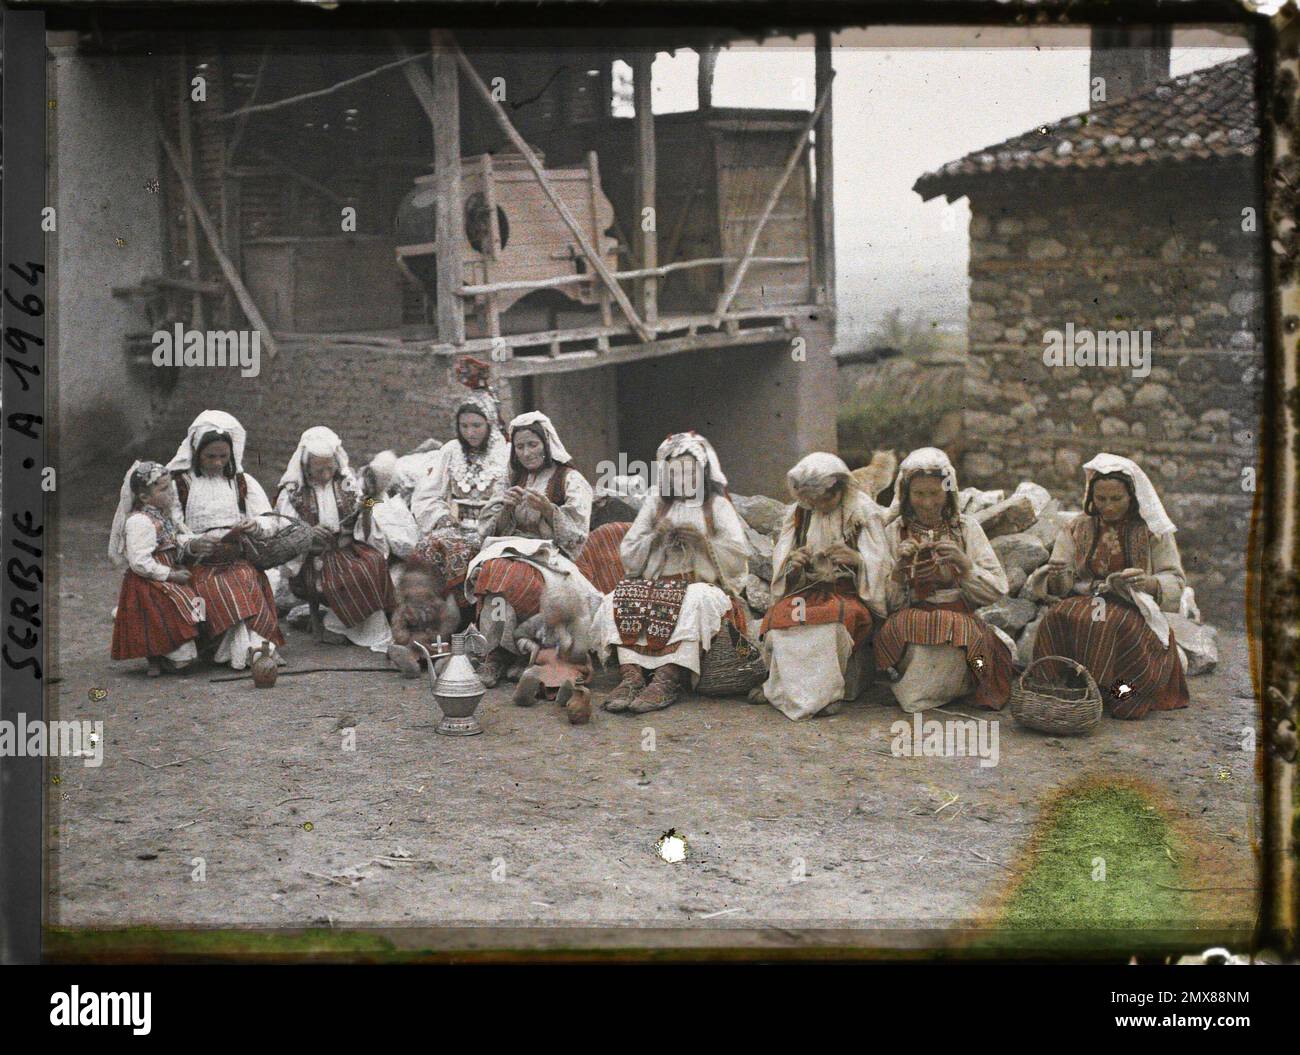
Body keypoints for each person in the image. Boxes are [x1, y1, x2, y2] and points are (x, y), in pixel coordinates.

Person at [592, 432, 750, 713]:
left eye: (690, 473)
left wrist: (702, 542)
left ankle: (668, 678)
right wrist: (656, 536)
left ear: (702, 474)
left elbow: (738, 557)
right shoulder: (657, 504)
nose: (684, 481)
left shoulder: (717, 506)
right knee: (616, 597)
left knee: (694, 599)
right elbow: (629, 552)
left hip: (703, 585)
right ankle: (632, 677)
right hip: (658, 583)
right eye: (676, 474)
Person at [1025, 452, 1190, 719]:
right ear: (1091, 497)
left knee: (1113, 624)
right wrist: (1057, 574)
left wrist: (1147, 582)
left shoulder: (1152, 531)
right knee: (1057, 616)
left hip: (1134, 606)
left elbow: (1174, 578)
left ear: (1132, 498)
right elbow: (1061, 585)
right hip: (1088, 599)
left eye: (1116, 499)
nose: (1108, 506)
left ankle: (1117, 695)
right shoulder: (1077, 527)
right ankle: (1060, 689)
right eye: (1101, 499)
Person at [873, 447, 1014, 713]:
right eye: (919, 494)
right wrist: (899, 570)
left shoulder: (967, 529)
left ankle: (977, 678)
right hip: (911, 620)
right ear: (905, 494)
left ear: (948, 492)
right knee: (900, 631)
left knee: (974, 645)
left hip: (959, 619)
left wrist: (966, 565)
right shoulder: (893, 532)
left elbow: (997, 589)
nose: (928, 503)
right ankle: (912, 685)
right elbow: (884, 604)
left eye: (935, 493)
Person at [466, 411, 599, 685]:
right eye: (520, 446)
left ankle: (515, 655)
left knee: (503, 574)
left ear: (547, 444)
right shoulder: (512, 479)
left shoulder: (569, 479)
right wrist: (506, 508)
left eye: (533, 444)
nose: (526, 453)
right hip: (509, 550)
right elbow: (487, 530)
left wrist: (549, 510)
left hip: (553, 558)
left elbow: (577, 537)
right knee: (493, 572)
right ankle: (495, 655)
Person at [755, 452, 888, 720]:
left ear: (841, 487)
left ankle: (825, 694)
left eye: (827, 499)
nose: (821, 506)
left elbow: (883, 564)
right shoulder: (798, 514)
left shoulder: (862, 512)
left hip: (848, 595)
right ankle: (785, 688)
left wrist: (857, 560)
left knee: (830, 621)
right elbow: (782, 559)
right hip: (807, 590)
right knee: (782, 618)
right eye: (813, 502)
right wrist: (793, 561)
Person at [166, 410, 283, 669]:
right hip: (199, 564)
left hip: (235, 558)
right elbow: (169, 529)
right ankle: (242, 650)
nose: (218, 463)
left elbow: (269, 519)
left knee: (249, 577)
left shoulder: (242, 482)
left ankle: (251, 648)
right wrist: (192, 543)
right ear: (196, 453)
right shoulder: (179, 485)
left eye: (223, 456)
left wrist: (254, 524)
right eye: (210, 457)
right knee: (221, 587)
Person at [275, 426, 397, 651]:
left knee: (375, 562)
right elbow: (283, 531)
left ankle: (338, 626)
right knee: (353, 572)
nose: (325, 475)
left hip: (346, 547)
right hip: (313, 558)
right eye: (318, 470)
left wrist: (367, 506)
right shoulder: (293, 491)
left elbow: (369, 507)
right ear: (305, 466)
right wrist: (308, 533)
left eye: (329, 468)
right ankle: (339, 626)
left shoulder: (345, 482)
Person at [109, 461, 202, 676]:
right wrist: (170, 575)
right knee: (165, 609)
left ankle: (173, 652)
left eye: (170, 487)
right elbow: (140, 562)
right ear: (144, 497)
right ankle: (159, 656)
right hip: (149, 581)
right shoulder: (140, 521)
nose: (171, 493)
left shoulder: (163, 516)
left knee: (197, 601)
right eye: (163, 489)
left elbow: (171, 541)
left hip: (166, 574)